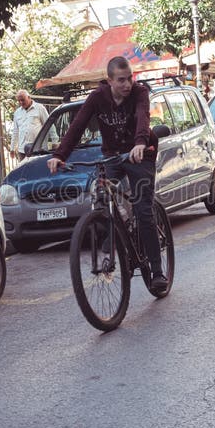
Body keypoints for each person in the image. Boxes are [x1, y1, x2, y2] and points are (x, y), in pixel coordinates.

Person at [47, 56, 169, 295]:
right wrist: (60, 154)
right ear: (109, 81)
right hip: (113, 155)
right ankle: (112, 230)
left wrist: (140, 143)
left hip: (140, 153)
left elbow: (144, 117)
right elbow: (77, 126)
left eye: (129, 78)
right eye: (121, 80)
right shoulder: (97, 98)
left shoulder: (139, 93)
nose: (127, 84)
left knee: (143, 210)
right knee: (101, 195)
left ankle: (157, 271)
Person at [11, 90, 49, 161]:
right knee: (24, 171)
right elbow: (15, 131)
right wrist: (12, 148)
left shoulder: (40, 108)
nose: (21, 102)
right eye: (19, 101)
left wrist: (54, 141)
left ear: (29, 97)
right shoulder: (17, 112)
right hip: (22, 150)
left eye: (23, 100)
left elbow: (48, 125)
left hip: (37, 149)